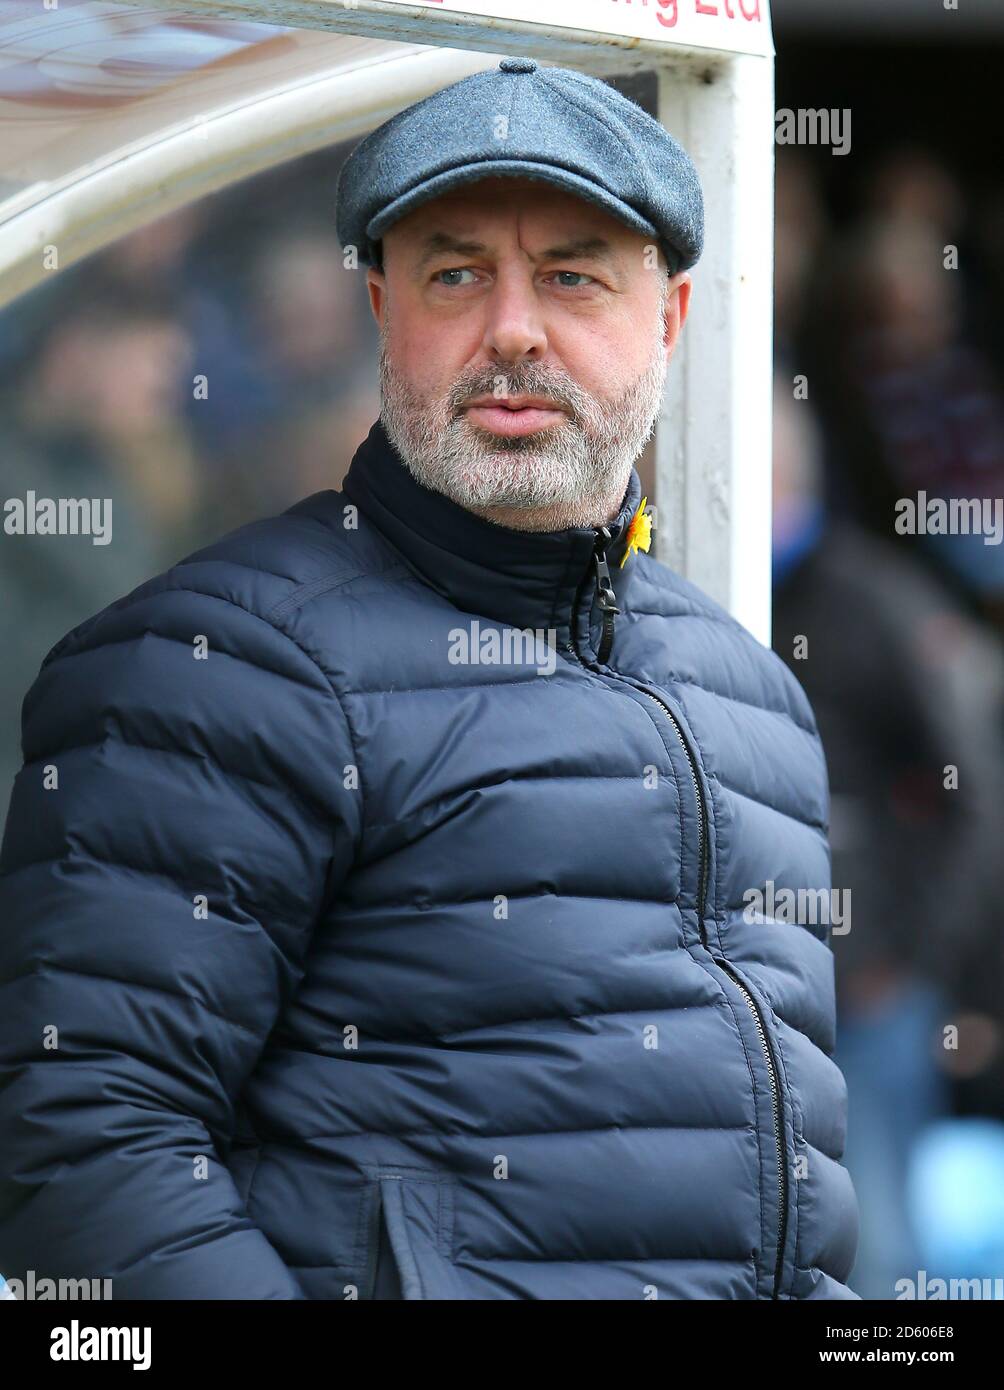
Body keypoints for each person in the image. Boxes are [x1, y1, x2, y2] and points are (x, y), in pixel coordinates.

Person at [0, 58, 858, 1300]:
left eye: (571, 273)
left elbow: (798, 1205)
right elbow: (81, 1139)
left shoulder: (752, 698)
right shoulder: (215, 663)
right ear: (380, 309)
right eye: (455, 273)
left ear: (667, 319)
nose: (512, 327)